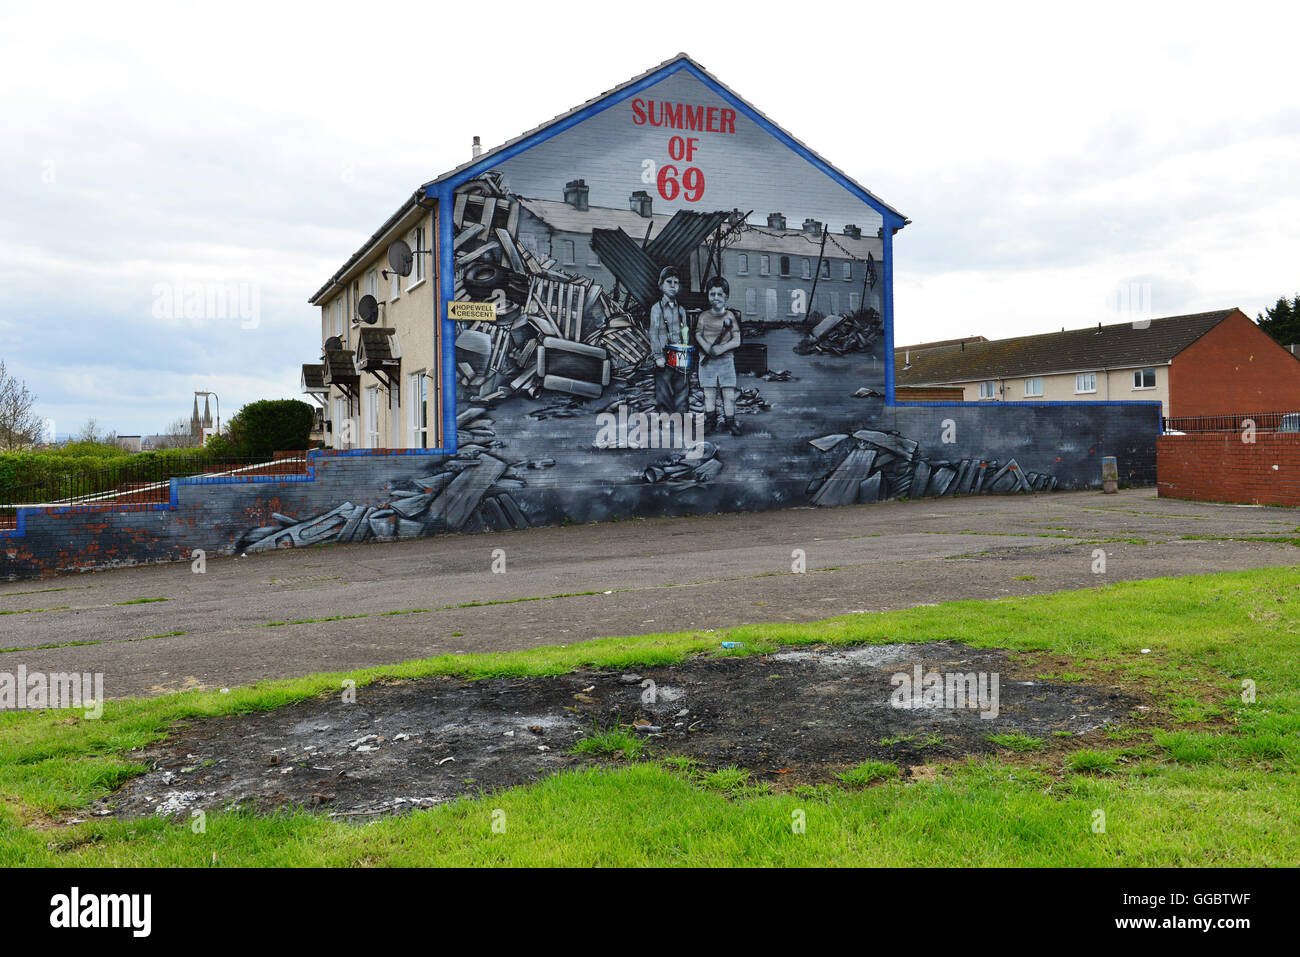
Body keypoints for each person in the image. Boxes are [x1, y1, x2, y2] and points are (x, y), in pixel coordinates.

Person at [695, 276, 742, 435]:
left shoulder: (730, 317)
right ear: (708, 296)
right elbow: (698, 335)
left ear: (726, 297)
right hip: (707, 361)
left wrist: (721, 349)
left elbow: (737, 340)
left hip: (726, 361)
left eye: (719, 294)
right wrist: (707, 347)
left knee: (728, 394)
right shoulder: (703, 316)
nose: (716, 298)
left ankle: (730, 422)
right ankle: (710, 421)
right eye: (712, 294)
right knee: (709, 394)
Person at [648, 266, 692, 415]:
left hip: (680, 353)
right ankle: (665, 416)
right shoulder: (657, 308)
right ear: (661, 285)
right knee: (663, 386)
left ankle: (680, 415)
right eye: (669, 282)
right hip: (664, 354)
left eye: (676, 283)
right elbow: (653, 332)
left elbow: (685, 331)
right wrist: (658, 355)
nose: (673, 286)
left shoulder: (681, 310)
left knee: (682, 385)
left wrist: (686, 348)